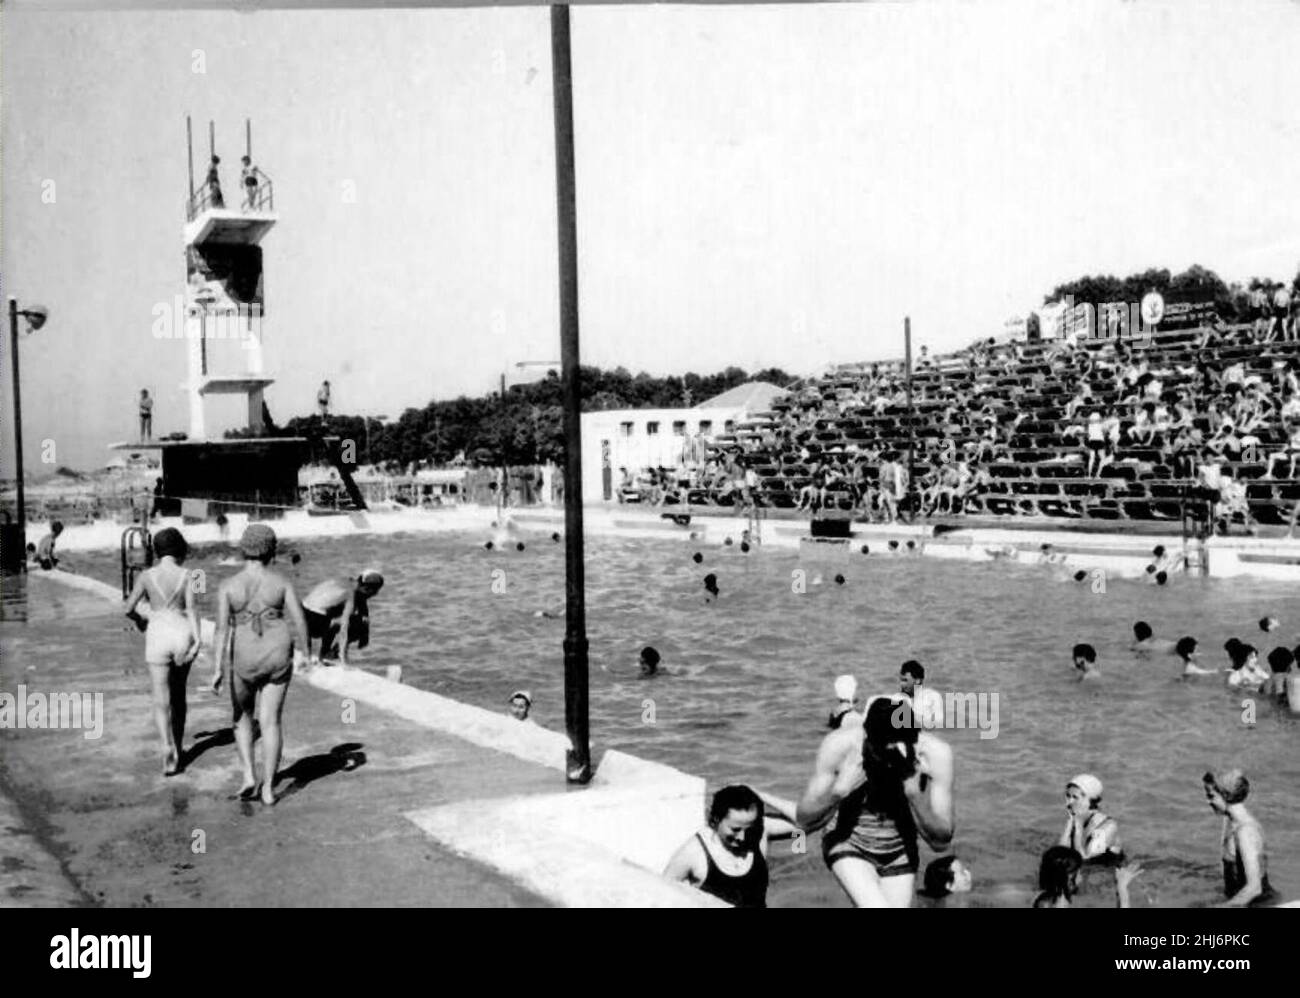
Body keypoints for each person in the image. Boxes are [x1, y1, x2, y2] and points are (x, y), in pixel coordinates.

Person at [796, 696, 954, 908]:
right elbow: (803, 820)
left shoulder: (934, 755)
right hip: (848, 840)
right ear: (866, 735)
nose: (892, 750)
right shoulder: (841, 746)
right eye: (884, 744)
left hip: (900, 851)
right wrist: (839, 791)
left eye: (899, 742)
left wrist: (915, 795)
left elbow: (941, 841)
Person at [210, 524, 310, 805]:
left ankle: (248, 776)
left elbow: (221, 630)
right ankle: (268, 789)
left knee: (242, 717)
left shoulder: (228, 586)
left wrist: (217, 668)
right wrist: (308, 655)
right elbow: (299, 619)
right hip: (277, 651)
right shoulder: (281, 582)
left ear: (243, 551)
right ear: (272, 550)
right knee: (271, 721)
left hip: (244, 657)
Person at [123, 528, 201, 776]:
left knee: (161, 699)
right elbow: (193, 609)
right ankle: (179, 747)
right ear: (179, 548)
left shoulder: (146, 576)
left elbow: (128, 608)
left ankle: (167, 747)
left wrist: (141, 620)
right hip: (182, 633)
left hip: (157, 633)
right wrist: (198, 640)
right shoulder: (190, 575)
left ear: (156, 551)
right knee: (179, 696)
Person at [664, 784, 800, 908]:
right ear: (716, 820)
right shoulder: (693, 853)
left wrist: (760, 795)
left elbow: (808, 822)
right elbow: (660, 895)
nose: (742, 837)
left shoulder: (761, 832)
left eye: (749, 829)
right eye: (735, 829)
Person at [1202, 770, 1275, 907]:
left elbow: (1254, 888)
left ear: (1226, 796)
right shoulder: (1232, 822)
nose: (1208, 801)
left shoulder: (1245, 832)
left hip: (1259, 904)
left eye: (1211, 796)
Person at [301, 570, 383, 666]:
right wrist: (344, 661)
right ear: (367, 589)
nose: (375, 595)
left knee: (338, 615)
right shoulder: (351, 596)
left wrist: (366, 631)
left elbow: (361, 601)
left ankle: (324, 655)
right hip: (315, 621)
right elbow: (344, 628)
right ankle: (330, 655)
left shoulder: (348, 583)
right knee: (356, 624)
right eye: (375, 592)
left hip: (303, 614)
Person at [1033, 846, 1141, 908]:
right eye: (1079, 871)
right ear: (1070, 878)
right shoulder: (1054, 905)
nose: (1082, 874)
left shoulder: (1045, 900)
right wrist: (1122, 887)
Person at [1059, 774, 1123, 864]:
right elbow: (1060, 854)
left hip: (1108, 870)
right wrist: (1069, 824)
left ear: (1091, 800)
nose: (1069, 802)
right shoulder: (1075, 818)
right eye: (1068, 796)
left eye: (1075, 797)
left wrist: (1078, 824)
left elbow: (1084, 859)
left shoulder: (1107, 827)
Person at [899, 660, 944, 727]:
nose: (901, 684)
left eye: (905, 680)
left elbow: (939, 724)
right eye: (901, 680)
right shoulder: (898, 699)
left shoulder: (933, 697)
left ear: (917, 681)